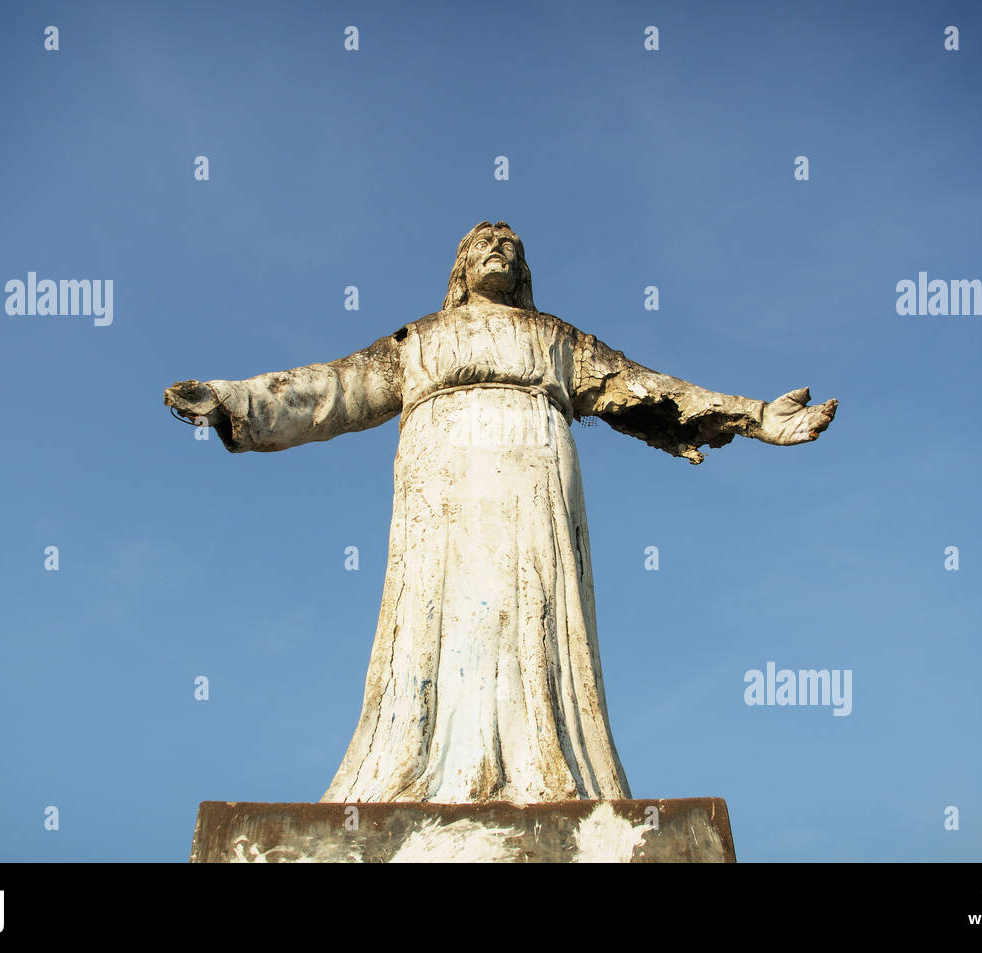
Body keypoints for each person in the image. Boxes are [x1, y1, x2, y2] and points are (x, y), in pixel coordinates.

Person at [165, 221, 837, 803]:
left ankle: (552, 772)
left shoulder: (552, 337)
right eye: (483, 241)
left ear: (522, 270)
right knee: (430, 616)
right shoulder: (419, 338)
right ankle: (407, 772)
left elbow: (644, 389)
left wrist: (753, 417)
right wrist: (238, 402)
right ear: (460, 268)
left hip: (532, 473)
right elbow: (336, 387)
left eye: (510, 242)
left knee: (534, 618)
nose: (498, 246)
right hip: (441, 482)